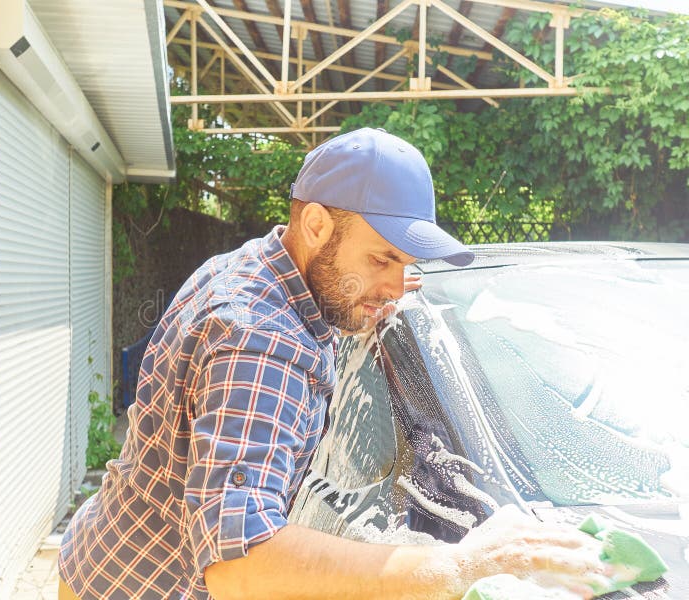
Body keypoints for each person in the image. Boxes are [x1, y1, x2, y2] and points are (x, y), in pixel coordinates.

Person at [59, 128, 607, 599]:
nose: (396, 286)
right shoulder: (261, 342)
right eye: (382, 258)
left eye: (405, 264)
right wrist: (462, 566)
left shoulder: (258, 269)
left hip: (104, 559)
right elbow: (239, 563)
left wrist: (366, 290)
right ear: (317, 225)